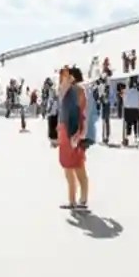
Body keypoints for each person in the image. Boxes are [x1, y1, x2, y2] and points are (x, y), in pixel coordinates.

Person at [56, 66, 89, 210]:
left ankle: (76, 200)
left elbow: (82, 112)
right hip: (70, 128)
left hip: (71, 128)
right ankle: (78, 199)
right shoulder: (75, 91)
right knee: (74, 165)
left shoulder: (74, 90)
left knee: (73, 166)